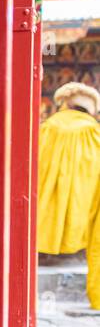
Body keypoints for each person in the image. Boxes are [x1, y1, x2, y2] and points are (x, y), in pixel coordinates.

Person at [38, 82, 100, 258]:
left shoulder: (46, 129)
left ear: (65, 104)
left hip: (39, 239)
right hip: (81, 240)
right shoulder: (95, 134)